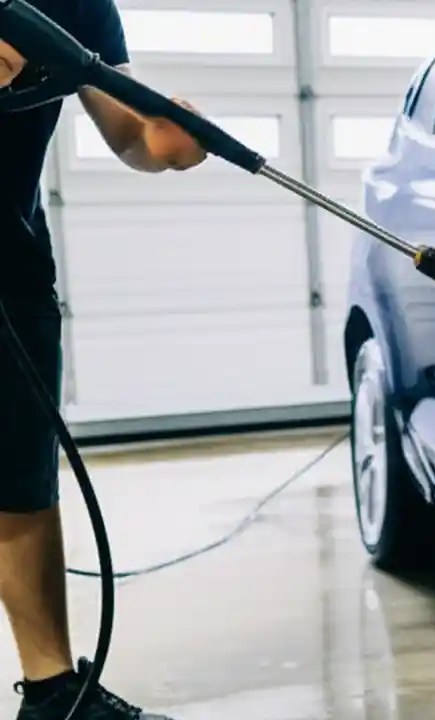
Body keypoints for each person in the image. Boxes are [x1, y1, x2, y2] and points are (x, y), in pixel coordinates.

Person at [0, 1, 206, 718]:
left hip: (9, 270)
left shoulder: (76, 2)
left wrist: (160, 137)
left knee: (19, 480)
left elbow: (125, 126)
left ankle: (54, 695)